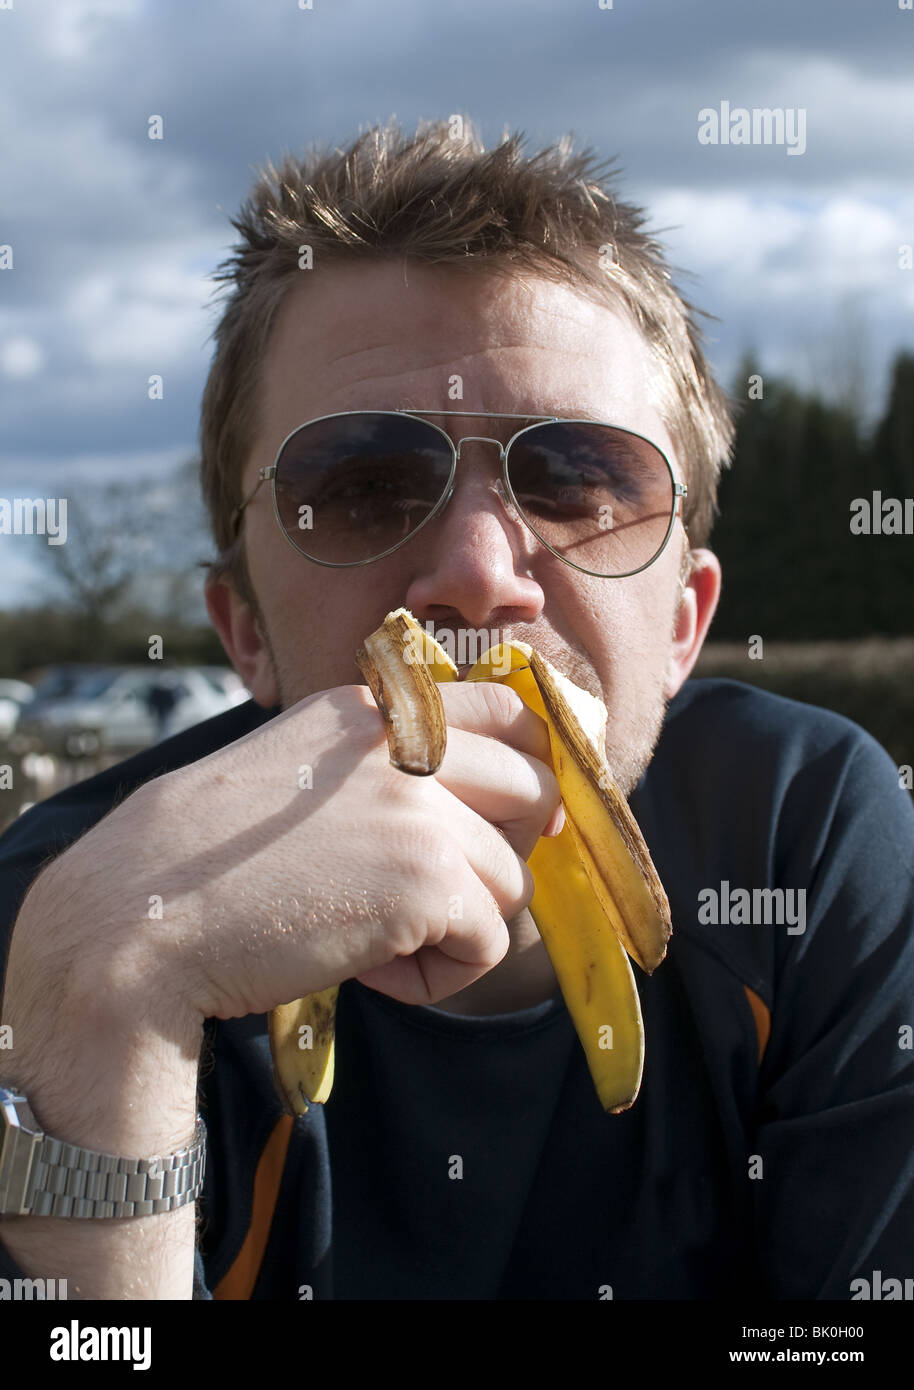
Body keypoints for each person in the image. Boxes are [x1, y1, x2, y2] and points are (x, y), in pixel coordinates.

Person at [0, 116, 911, 1302]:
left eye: (579, 476)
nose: (480, 571)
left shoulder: (805, 830)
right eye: (364, 484)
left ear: (684, 623)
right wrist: (95, 1030)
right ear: (245, 636)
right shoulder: (68, 921)